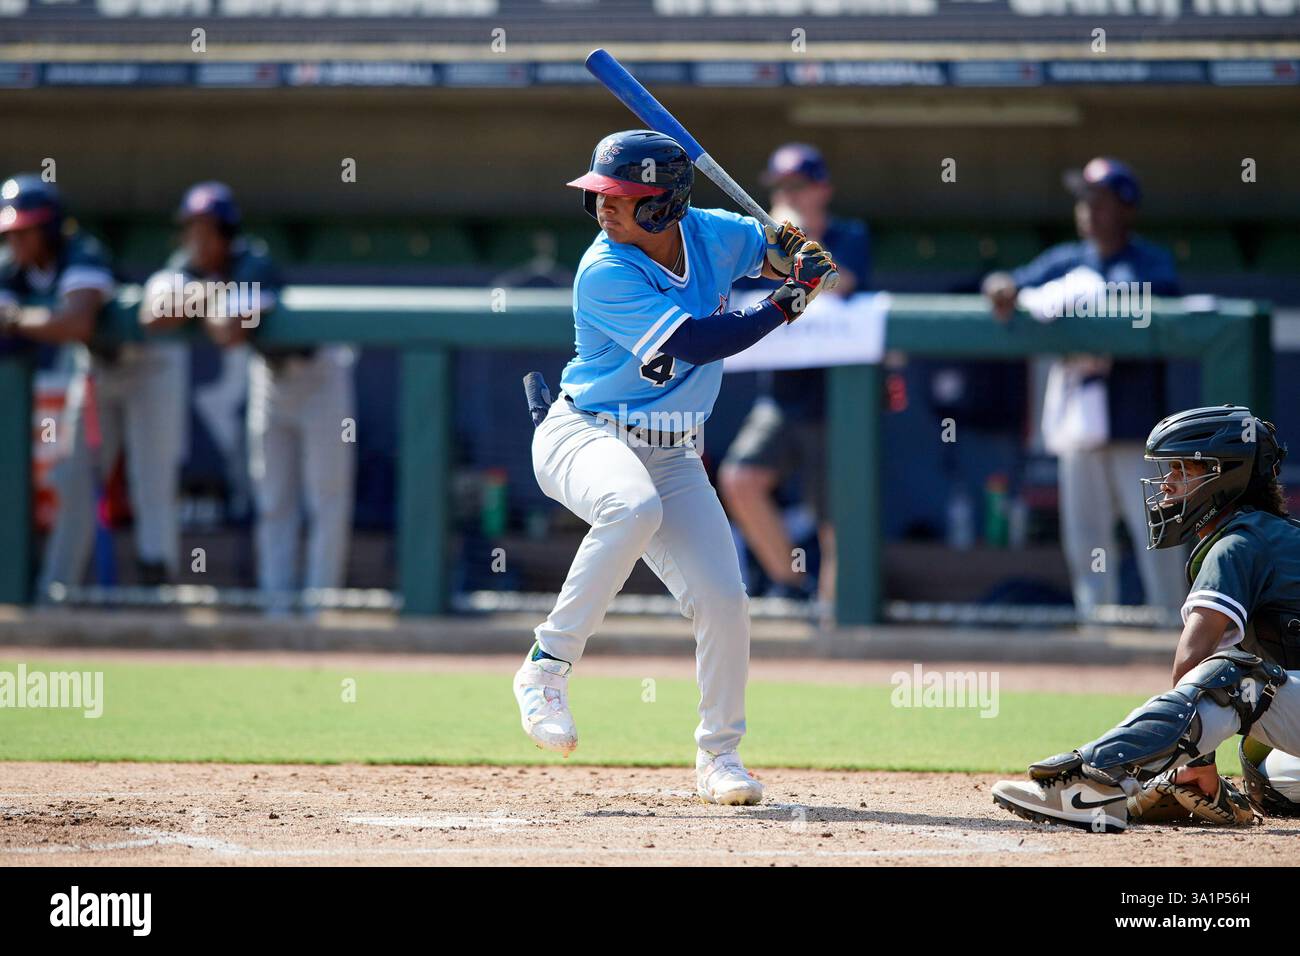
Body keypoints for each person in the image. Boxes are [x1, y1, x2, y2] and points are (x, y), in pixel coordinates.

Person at [513, 129, 837, 805]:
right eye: (599, 195)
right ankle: (546, 668)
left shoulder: (713, 234)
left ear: (663, 206)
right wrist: (789, 298)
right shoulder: (604, 269)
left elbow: (768, 244)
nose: (603, 207)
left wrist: (791, 250)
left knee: (724, 598)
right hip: (586, 434)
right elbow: (698, 342)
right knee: (631, 508)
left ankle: (720, 755)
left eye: (622, 197)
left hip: (674, 452)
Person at [992, 405, 1300, 832]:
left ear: (1225, 475)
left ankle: (1091, 782)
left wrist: (1198, 762)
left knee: (1234, 680)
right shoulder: (1273, 536)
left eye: (1182, 468)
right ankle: (1184, 776)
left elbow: (1192, 666)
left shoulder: (1239, 544)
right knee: (1267, 771)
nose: (1168, 483)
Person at [982, 157, 1185, 618]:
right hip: (1080, 423)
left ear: (1126, 208)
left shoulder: (1150, 260)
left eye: (1100, 201)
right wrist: (1003, 288)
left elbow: (1160, 303)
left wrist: (1089, 297)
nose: (1088, 210)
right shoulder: (1067, 260)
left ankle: (1173, 634)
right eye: (1083, 201)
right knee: (1087, 538)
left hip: (1139, 428)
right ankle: (1100, 632)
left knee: (1159, 537)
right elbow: (1006, 284)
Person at [146, 182, 354, 602]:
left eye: (207, 231)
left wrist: (196, 298)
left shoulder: (254, 264)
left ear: (226, 233)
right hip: (269, 378)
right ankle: (277, 605)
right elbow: (151, 314)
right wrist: (205, 293)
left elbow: (228, 332)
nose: (197, 240)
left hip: (316, 374)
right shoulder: (190, 264)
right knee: (273, 496)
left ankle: (320, 606)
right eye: (191, 230)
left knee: (325, 495)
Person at [0, 174, 182, 593]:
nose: (16, 241)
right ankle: (56, 592)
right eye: (11, 232)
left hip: (145, 365)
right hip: (96, 368)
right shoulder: (15, 269)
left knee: (149, 479)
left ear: (47, 228)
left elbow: (76, 321)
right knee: (74, 477)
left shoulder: (83, 252)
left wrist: (13, 319)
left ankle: (159, 593)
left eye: (25, 231)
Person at [718, 143, 870, 604]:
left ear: (822, 189)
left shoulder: (851, 235)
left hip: (841, 397)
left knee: (835, 517)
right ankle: (793, 586)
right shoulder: (766, 241)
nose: (789, 196)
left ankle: (838, 618)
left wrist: (797, 236)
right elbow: (744, 288)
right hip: (783, 396)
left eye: (798, 187)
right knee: (740, 479)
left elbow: (838, 280)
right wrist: (779, 240)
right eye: (782, 188)